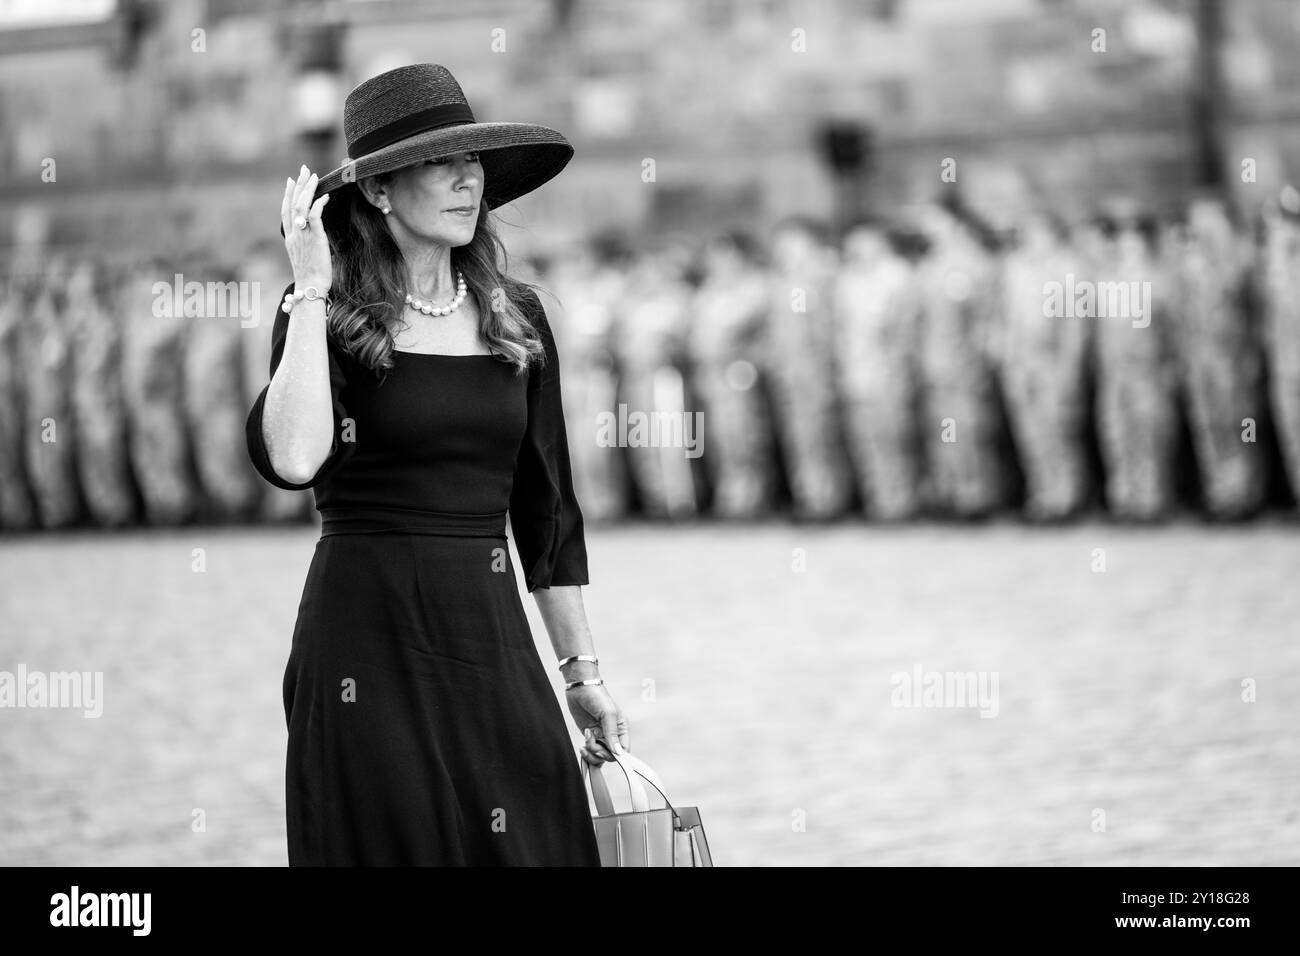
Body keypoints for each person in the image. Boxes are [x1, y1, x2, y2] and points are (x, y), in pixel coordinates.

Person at [244, 63, 625, 866]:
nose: (467, 180)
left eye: (474, 161)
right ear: (379, 191)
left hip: (488, 638)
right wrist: (309, 291)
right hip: (362, 646)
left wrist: (581, 672)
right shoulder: (326, 314)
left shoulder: (515, 317)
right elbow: (294, 456)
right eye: (439, 162)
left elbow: (548, 511)